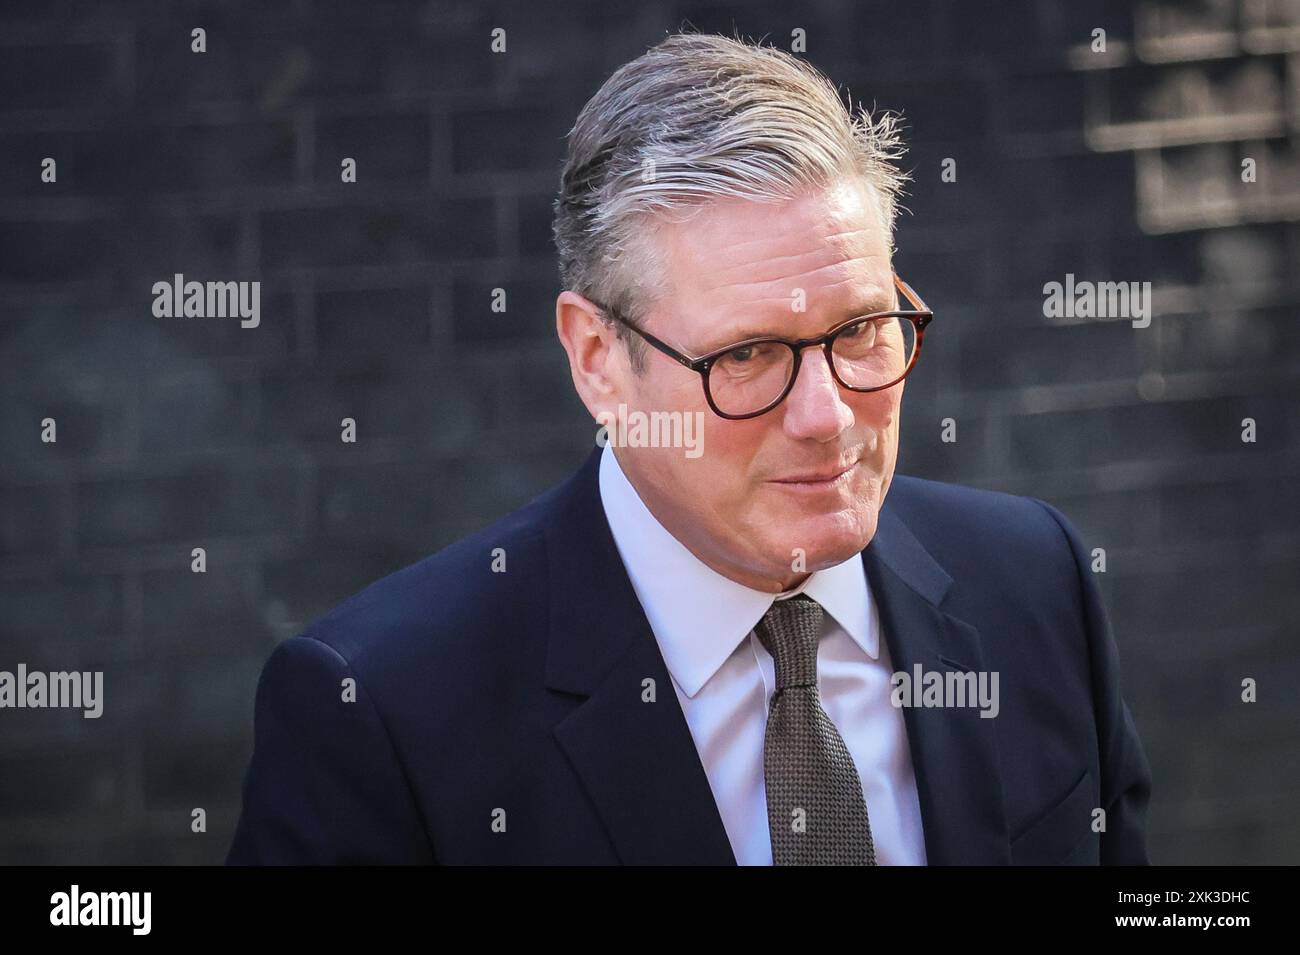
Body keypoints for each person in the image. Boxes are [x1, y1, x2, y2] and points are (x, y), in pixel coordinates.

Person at [227, 31, 1151, 865]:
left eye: (863, 328)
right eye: (747, 355)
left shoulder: (1037, 580)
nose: (827, 415)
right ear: (598, 360)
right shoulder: (377, 715)